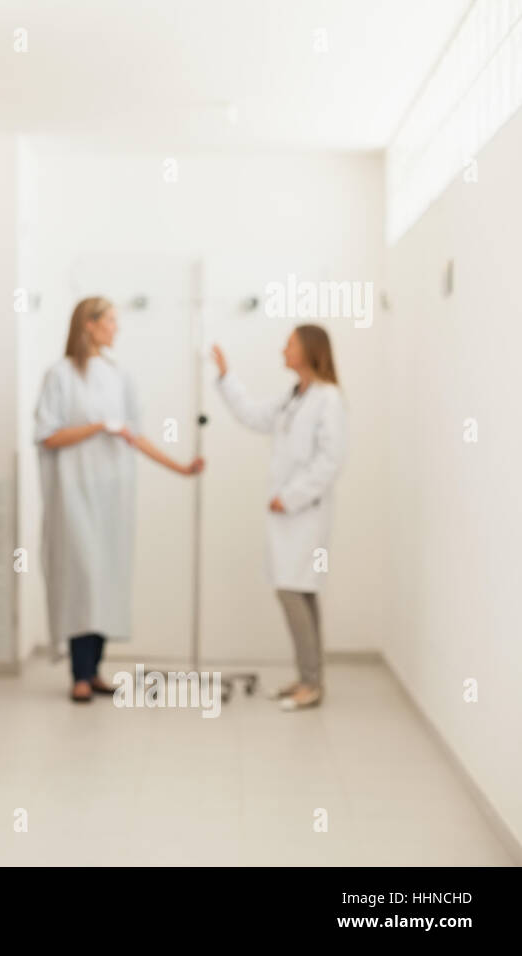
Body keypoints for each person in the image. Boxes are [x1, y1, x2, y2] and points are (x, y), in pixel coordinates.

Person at [34, 297, 204, 703]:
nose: (116, 328)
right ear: (88, 325)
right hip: (74, 493)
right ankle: (78, 672)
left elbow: (134, 434)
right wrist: (96, 426)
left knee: (107, 577)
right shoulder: (60, 375)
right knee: (82, 578)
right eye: (111, 320)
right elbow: (48, 435)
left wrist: (179, 467)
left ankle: (94, 670)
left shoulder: (119, 376)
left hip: (113, 493)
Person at [211, 325, 347, 712]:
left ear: (309, 350)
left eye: (289, 344)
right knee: (300, 591)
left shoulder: (328, 400)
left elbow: (331, 460)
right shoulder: (295, 397)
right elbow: (253, 416)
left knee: (294, 591)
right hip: (289, 513)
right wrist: (226, 377)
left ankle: (311, 682)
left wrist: (289, 497)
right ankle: (309, 678)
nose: (283, 350)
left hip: (304, 512)